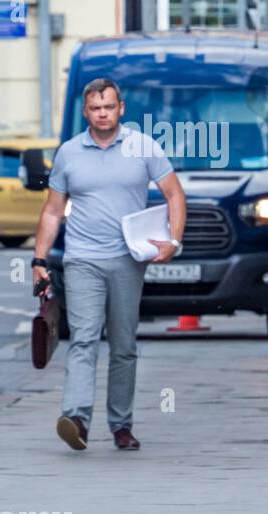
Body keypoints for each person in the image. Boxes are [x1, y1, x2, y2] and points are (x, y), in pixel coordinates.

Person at [32, 78, 187, 451]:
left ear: (121, 109)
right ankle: (77, 419)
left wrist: (174, 241)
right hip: (82, 259)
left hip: (127, 260)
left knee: (123, 344)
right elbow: (53, 211)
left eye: (109, 107)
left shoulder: (143, 147)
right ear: (86, 112)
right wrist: (39, 258)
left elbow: (174, 194)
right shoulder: (69, 153)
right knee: (83, 338)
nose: (102, 113)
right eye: (95, 108)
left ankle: (121, 424)